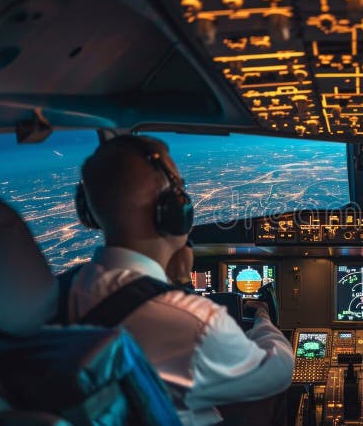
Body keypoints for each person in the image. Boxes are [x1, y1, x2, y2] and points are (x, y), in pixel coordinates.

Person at [69, 135, 293, 426]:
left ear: (89, 212)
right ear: (173, 209)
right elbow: (277, 370)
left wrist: (178, 286)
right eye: (181, 192)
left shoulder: (56, 296)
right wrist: (263, 317)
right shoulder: (193, 321)